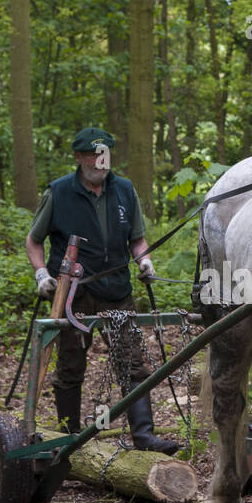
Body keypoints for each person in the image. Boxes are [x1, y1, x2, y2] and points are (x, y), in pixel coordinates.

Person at [25, 127, 181, 456]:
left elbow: (136, 238)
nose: (101, 161)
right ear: (80, 157)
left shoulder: (124, 190)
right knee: (70, 366)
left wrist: (145, 260)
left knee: (133, 364)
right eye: (95, 155)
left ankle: (144, 435)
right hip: (72, 294)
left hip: (117, 292)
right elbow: (34, 240)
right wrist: (41, 274)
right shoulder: (58, 192)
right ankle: (69, 437)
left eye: (106, 154)